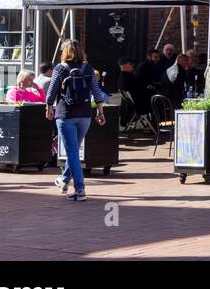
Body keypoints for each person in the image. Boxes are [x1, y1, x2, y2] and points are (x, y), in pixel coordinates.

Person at [45, 38, 109, 202]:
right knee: (74, 151)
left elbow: (51, 92)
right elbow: (97, 92)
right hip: (85, 115)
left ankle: (80, 189)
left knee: (72, 152)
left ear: (64, 52)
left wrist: (49, 108)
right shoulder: (88, 68)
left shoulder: (60, 68)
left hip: (65, 114)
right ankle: (64, 180)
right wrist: (100, 112)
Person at [117, 57, 151, 126]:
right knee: (157, 101)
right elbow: (139, 91)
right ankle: (154, 125)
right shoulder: (127, 78)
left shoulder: (123, 77)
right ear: (125, 65)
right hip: (137, 107)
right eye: (131, 64)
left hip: (130, 107)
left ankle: (151, 125)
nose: (133, 65)